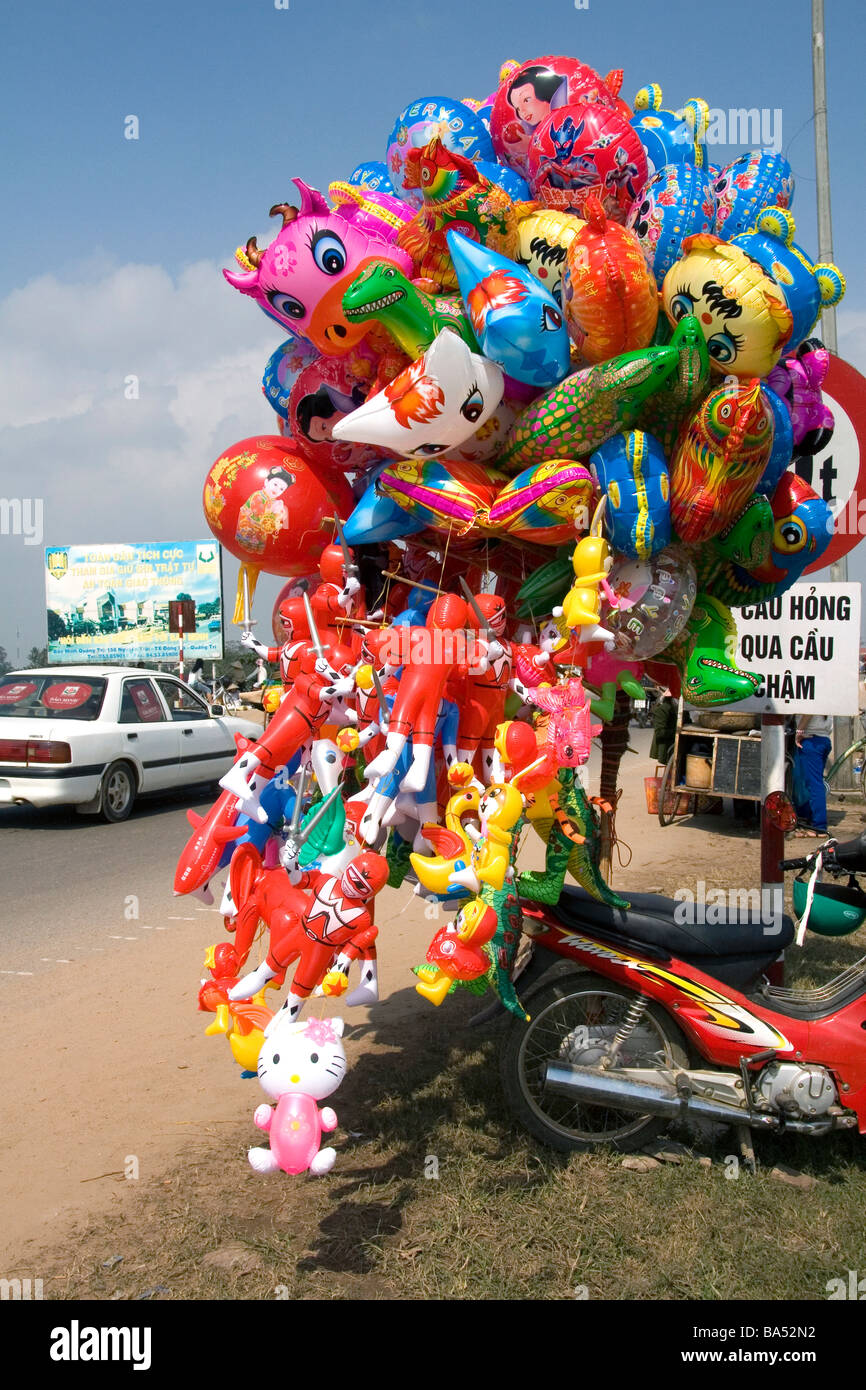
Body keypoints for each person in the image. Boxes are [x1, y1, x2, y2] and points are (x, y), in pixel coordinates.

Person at [792, 712, 833, 837]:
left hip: (811, 739)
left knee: (813, 785)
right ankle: (808, 821)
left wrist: (799, 731)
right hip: (823, 738)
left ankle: (819, 826)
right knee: (811, 783)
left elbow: (808, 712)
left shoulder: (814, 695)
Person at [649, 688, 677, 767]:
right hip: (666, 748)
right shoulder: (663, 709)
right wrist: (677, 731)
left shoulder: (674, 708)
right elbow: (660, 732)